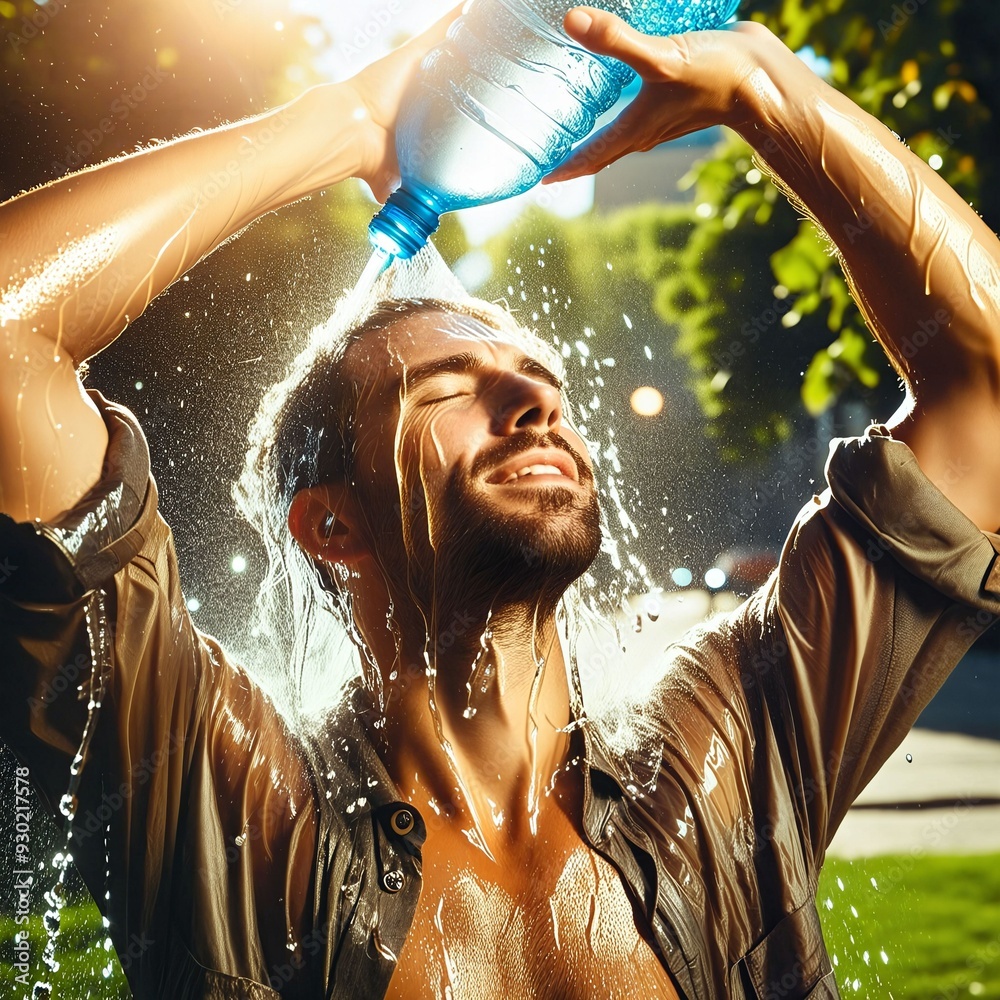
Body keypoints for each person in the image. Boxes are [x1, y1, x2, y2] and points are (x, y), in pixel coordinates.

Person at [2, 5, 999, 999]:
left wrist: (761, 84)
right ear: (333, 521)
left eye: (544, 385)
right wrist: (347, 121)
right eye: (444, 390)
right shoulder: (237, 816)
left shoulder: (719, 768)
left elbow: (986, 381)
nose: (531, 404)